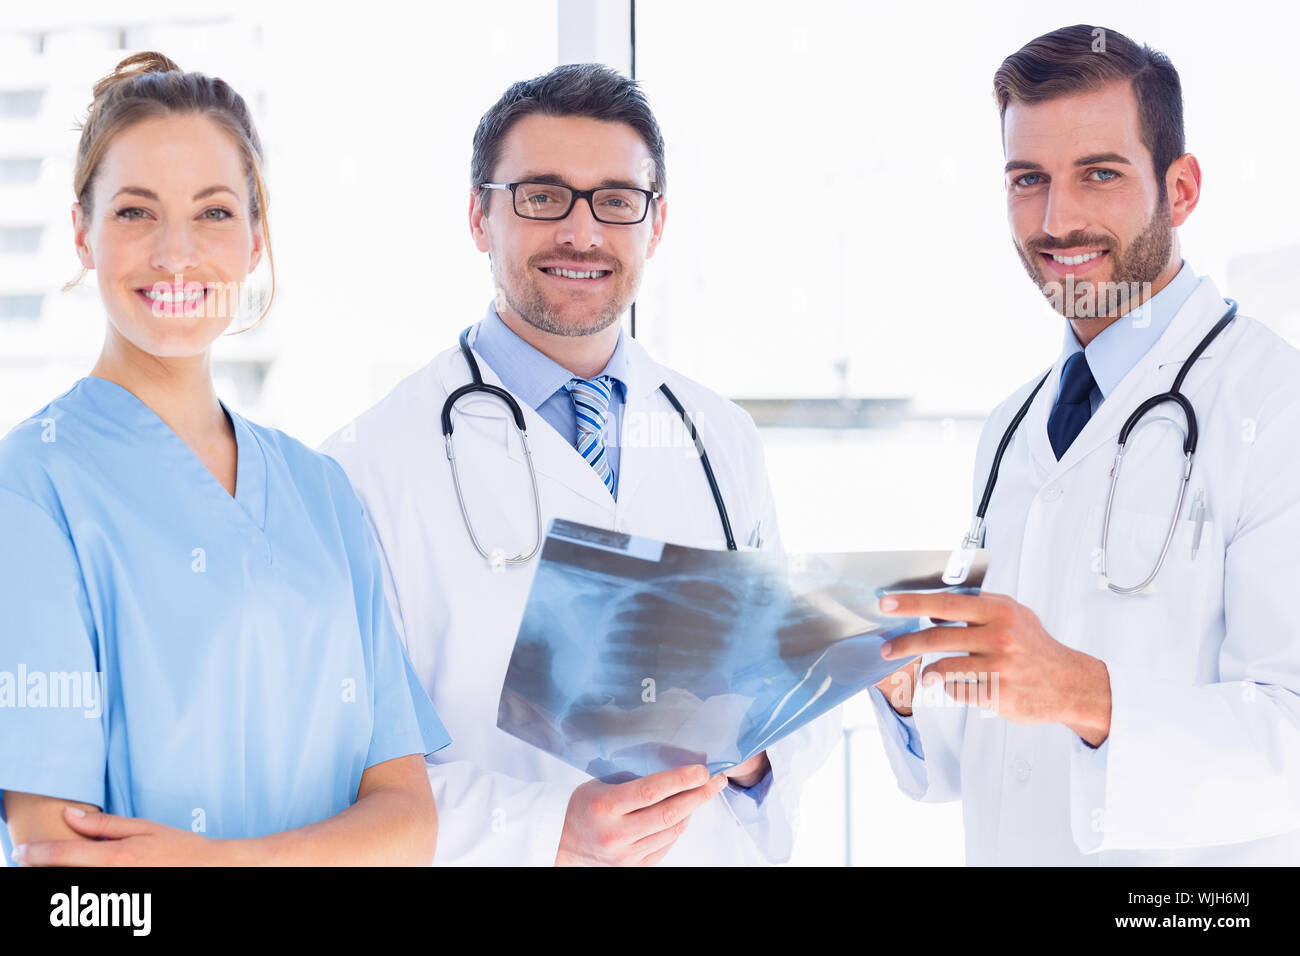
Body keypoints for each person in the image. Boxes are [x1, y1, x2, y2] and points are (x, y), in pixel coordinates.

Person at [321, 64, 839, 866]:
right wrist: (541, 829)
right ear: (478, 216)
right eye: (541, 195)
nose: (582, 231)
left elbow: (789, 697)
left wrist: (759, 754)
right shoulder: (367, 465)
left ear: (654, 224)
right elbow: (348, 770)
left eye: (616, 201)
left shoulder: (719, 439)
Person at [0, 52, 449, 866]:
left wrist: (223, 861)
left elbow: (409, 822)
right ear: (81, 234)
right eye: (136, 212)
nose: (177, 254)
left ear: (253, 240)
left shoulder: (320, 490)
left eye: (212, 213)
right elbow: (65, 877)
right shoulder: (32, 486)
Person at [869, 24, 1300, 864]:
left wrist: (1086, 692)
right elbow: (994, 752)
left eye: (1098, 174)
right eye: (1028, 180)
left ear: (1181, 189)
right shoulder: (1011, 428)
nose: (1057, 219)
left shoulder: (1274, 404)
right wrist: (905, 686)